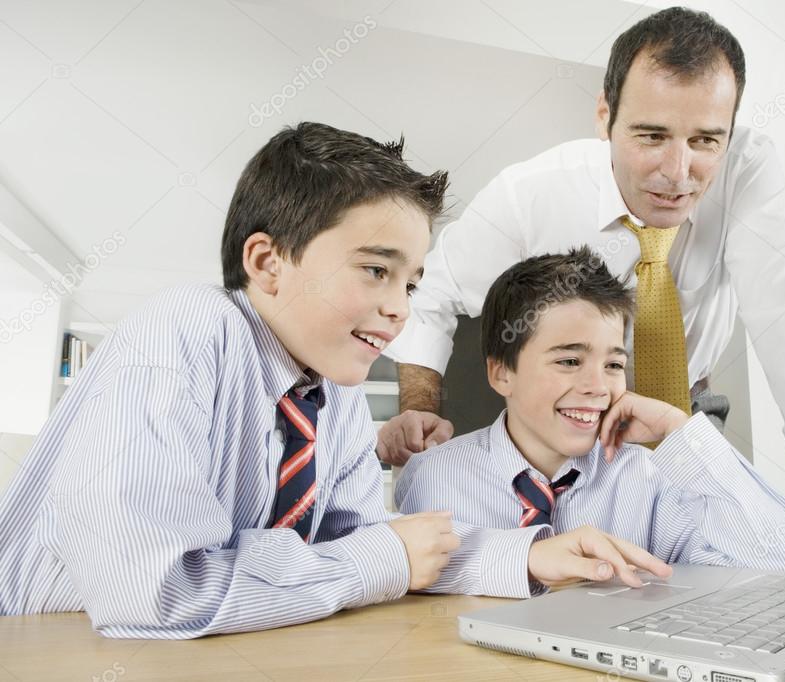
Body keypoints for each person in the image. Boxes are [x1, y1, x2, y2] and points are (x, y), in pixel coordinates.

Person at [377, 7, 785, 589]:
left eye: (705, 141)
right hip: (530, 398)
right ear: (604, 116)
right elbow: (431, 295)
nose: (677, 174)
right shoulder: (529, 193)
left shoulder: (748, 170)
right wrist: (418, 409)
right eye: (651, 135)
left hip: (678, 405)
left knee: (702, 563)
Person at [0, 123, 671, 638]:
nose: (400, 308)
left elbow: (369, 544)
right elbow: (154, 593)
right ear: (267, 262)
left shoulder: (333, 390)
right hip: (50, 647)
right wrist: (371, 561)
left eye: (411, 282)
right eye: (376, 271)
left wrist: (526, 557)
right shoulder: (183, 332)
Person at [396, 248, 785, 572]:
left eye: (613, 365)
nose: (597, 387)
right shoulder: (435, 476)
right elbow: (420, 574)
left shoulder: (646, 478)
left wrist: (681, 431)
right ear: (502, 373)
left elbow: (775, 558)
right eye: (569, 361)